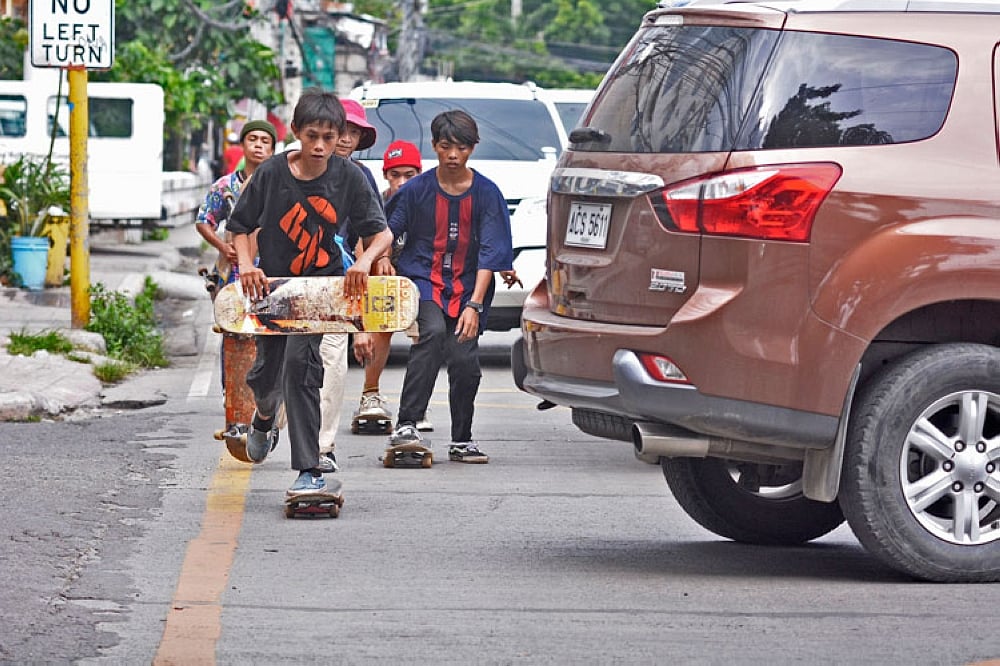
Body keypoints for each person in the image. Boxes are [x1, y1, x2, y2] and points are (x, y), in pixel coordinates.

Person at [227, 88, 393, 497]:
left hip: (323, 290)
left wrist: (363, 261)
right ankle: (264, 417)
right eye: (312, 135)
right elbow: (240, 226)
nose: (320, 146)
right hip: (276, 288)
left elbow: (382, 233)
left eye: (329, 137)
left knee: (302, 367)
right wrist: (247, 265)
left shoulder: (349, 176)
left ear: (340, 138)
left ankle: (308, 467)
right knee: (267, 375)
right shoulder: (271, 174)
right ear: (297, 132)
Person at [386, 110, 518, 464]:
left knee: (464, 360)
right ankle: (407, 424)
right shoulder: (416, 190)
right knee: (429, 335)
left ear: (473, 149)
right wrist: (376, 258)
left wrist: (474, 307)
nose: (454, 155)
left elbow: (492, 252)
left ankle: (462, 438)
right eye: (446, 147)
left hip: (467, 287)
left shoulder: (488, 194)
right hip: (424, 279)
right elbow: (387, 229)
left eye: (461, 147)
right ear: (434, 146)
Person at [314, 97, 382, 474]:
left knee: (332, 365)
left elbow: (370, 238)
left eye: (354, 133)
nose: (346, 139)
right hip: (293, 280)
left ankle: (324, 446)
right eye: (343, 130)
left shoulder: (361, 179)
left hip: (340, 282)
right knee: (284, 367)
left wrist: (362, 322)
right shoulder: (291, 169)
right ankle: (267, 419)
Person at [350, 140, 430, 434]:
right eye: (395, 175)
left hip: (417, 282)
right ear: (385, 175)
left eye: (409, 175)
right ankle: (370, 395)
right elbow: (361, 241)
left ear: (420, 173)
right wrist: (378, 260)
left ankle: (416, 406)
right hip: (379, 284)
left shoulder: (427, 202)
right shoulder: (375, 204)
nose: (402, 182)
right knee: (380, 329)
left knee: (426, 336)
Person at [195, 120, 277, 290]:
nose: (258, 145)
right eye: (252, 139)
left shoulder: (281, 185)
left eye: (265, 141)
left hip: (273, 269)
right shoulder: (225, 185)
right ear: (242, 145)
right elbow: (203, 221)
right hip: (235, 270)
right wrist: (223, 247)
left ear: (273, 150)